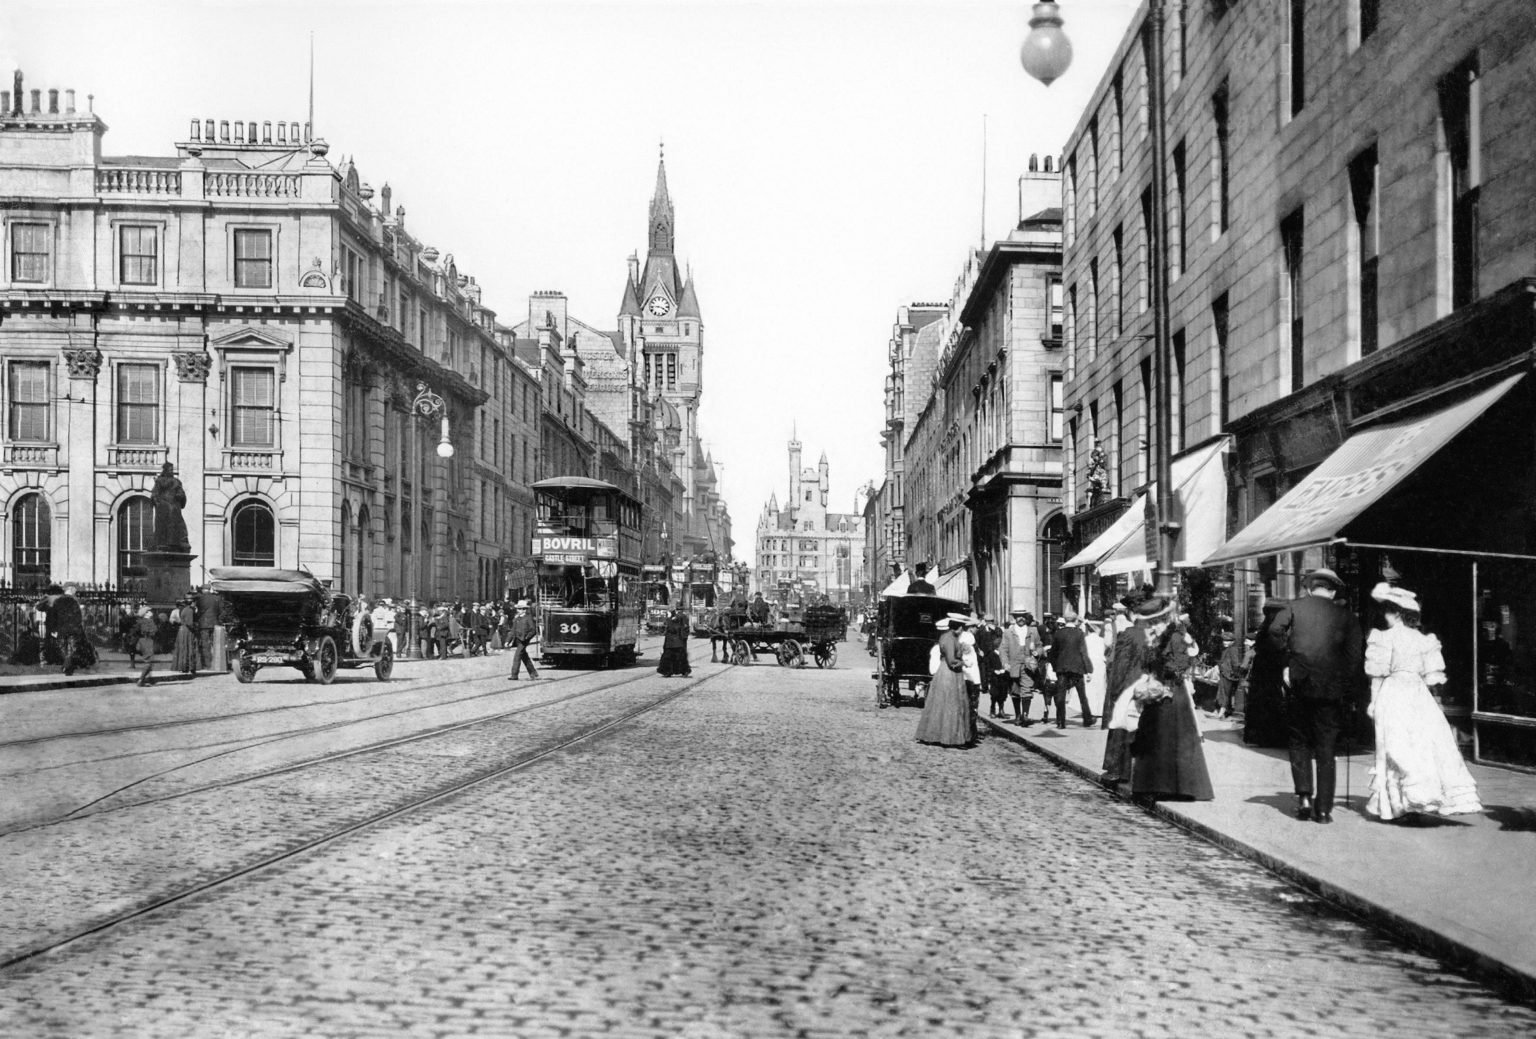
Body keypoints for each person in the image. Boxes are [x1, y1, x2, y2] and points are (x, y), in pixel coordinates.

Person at [1363, 583, 1482, 822]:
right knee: (1422, 746)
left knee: (1396, 744)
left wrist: (1374, 701)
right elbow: (1432, 677)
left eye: (1386, 611)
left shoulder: (1385, 638)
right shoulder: (1424, 640)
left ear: (1395, 613)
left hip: (1394, 692)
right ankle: (1417, 798)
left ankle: (1400, 804)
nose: (1383, 616)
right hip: (1418, 695)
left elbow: (1378, 673)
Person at [1266, 567, 1365, 824]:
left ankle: (1304, 797)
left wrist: (1290, 657)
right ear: (1332, 591)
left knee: (1298, 740)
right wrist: (1345, 683)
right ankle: (1323, 810)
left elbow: (1274, 631)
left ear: (1310, 588)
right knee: (1326, 747)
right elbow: (1355, 656)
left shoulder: (1294, 607)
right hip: (1331, 690)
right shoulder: (1347, 617)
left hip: (1299, 682)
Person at [1130, 611, 1214, 801]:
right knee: (1166, 738)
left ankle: (1164, 786)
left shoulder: (1174, 639)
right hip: (1165, 692)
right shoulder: (1164, 639)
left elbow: (1177, 665)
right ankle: (1169, 786)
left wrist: (1163, 667)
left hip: (1169, 692)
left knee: (1165, 737)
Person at [915, 617, 976, 748]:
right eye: (961, 628)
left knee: (945, 703)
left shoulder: (950, 637)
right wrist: (965, 662)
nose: (962, 631)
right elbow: (951, 661)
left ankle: (942, 735)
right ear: (957, 627)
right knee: (950, 703)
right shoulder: (949, 639)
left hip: (950, 673)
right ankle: (949, 737)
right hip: (949, 674)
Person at [1047, 610, 1096, 728]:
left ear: (1065, 620)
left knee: (1061, 695)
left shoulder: (1059, 633)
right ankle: (1087, 719)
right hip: (1077, 668)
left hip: (1062, 668)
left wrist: (1055, 667)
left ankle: (1060, 722)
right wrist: (1089, 669)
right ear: (1075, 620)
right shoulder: (1079, 633)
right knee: (1082, 695)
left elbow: (1053, 653)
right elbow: (1083, 652)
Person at [1001, 609, 1043, 725]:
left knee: (1027, 689)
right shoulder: (1008, 632)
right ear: (1014, 617)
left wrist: (1037, 653)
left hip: (1028, 665)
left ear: (1026, 617)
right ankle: (1018, 715)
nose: (1021, 618)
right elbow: (1003, 649)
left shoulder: (1033, 631)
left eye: (1023, 616)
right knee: (1015, 690)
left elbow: (1040, 646)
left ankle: (1025, 715)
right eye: (1018, 616)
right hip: (1013, 665)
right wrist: (1005, 663)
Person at [46, 584, 87, 676]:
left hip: (61, 629)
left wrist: (53, 628)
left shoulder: (58, 601)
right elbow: (78, 617)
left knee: (62, 647)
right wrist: (78, 627)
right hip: (72, 629)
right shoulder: (74, 602)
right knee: (72, 648)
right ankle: (67, 664)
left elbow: (53, 616)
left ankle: (67, 664)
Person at [150, 462, 191, 553]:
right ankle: (161, 544)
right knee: (162, 527)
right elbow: (154, 494)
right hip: (163, 507)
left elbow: (181, 492)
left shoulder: (176, 481)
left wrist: (179, 495)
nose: (171, 471)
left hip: (174, 506)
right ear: (165, 470)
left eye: (172, 469)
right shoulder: (159, 481)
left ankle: (175, 543)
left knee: (177, 525)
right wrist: (157, 502)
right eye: (170, 469)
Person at [974, 614, 1005, 718]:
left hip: (996, 655)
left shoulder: (998, 630)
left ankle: (1000, 708)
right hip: (985, 656)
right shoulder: (981, 630)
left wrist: (994, 630)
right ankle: (985, 686)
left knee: (999, 685)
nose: (990, 623)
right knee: (985, 673)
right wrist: (979, 650)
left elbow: (1001, 639)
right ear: (984, 621)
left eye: (991, 621)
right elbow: (976, 642)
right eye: (988, 621)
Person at [505, 600, 540, 680]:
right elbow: (512, 631)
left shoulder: (528, 618)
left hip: (524, 641)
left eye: (520, 609)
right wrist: (507, 641)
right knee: (524, 656)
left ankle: (514, 675)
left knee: (517, 656)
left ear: (524, 609)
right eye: (518, 609)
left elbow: (533, 630)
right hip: (517, 640)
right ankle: (533, 673)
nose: (519, 610)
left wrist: (527, 638)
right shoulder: (517, 618)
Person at [1215, 632, 1246, 719]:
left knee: (1225, 694)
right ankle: (1226, 711)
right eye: (1224, 641)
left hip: (1229, 675)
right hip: (1225, 673)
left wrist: (1235, 674)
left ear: (1232, 642)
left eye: (1227, 641)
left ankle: (1222, 712)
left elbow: (1235, 663)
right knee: (1225, 693)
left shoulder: (1232, 650)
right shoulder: (1226, 649)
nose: (1225, 642)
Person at [658, 604, 692, 677]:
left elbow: (682, 629)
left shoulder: (679, 618)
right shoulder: (672, 618)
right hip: (672, 641)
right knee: (675, 656)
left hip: (674, 641)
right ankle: (671, 671)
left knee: (674, 656)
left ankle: (677, 671)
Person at [194, 585, 222, 670]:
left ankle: (207, 664)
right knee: (216, 644)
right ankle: (217, 664)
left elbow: (199, 611)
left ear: (203, 590)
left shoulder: (200, 599)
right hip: (215, 624)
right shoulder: (217, 598)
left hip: (204, 624)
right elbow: (221, 611)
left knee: (205, 645)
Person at [172, 597, 200, 674]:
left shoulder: (185, 609)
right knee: (189, 648)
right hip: (187, 631)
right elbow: (190, 623)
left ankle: (184, 667)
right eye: (194, 602)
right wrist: (196, 628)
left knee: (184, 648)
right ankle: (189, 667)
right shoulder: (190, 610)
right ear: (192, 602)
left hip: (183, 630)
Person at [134, 605, 160, 686]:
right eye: (148, 611)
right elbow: (154, 631)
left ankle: (149, 679)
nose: (151, 612)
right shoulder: (148, 621)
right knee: (149, 661)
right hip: (148, 641)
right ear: (145, 613)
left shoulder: (140, 621)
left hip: (142, 641)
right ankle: (141, 680)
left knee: (149, 661)